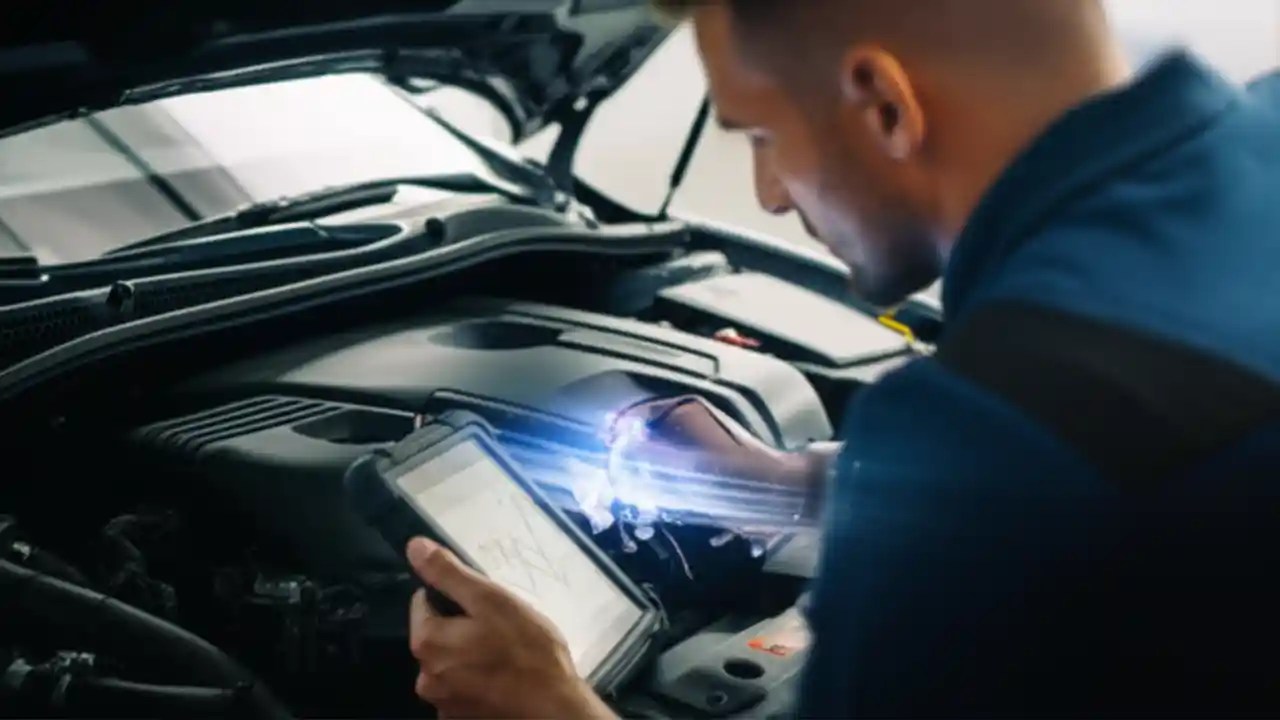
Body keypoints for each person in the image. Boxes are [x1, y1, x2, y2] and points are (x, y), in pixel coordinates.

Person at [404, 0, 1280, 717]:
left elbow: (1043, 465)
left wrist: (553, 706)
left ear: (883, 104)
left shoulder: (994, 436)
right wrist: (788, 484)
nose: (769, 194)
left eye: (759, 136)